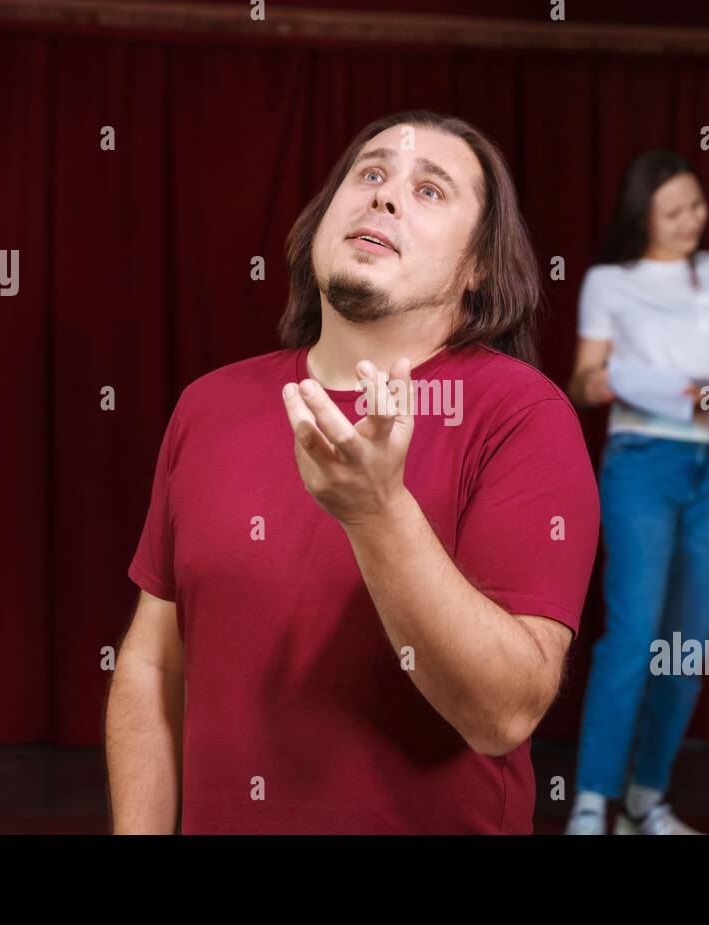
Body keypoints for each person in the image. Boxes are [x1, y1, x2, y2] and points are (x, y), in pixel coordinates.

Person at [104, 110, 601, 834]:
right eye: (370, 174)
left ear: (478, 267)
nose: (386, 195)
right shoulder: (209, 404)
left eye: (430, 190)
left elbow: (505, 712)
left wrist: (377, 512)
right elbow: (154, 666)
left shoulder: (524, 415)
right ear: (320, 222)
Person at [564, 150, 709, 835]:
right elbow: (583, 380)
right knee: (633, 633)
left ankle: (647, 799)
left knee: (687, 643)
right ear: (643, 215)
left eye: (697, 205)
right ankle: (593, 798)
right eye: (675, 210)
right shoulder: (608, 281)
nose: (694, 220)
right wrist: (610, 379)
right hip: (641, 460)